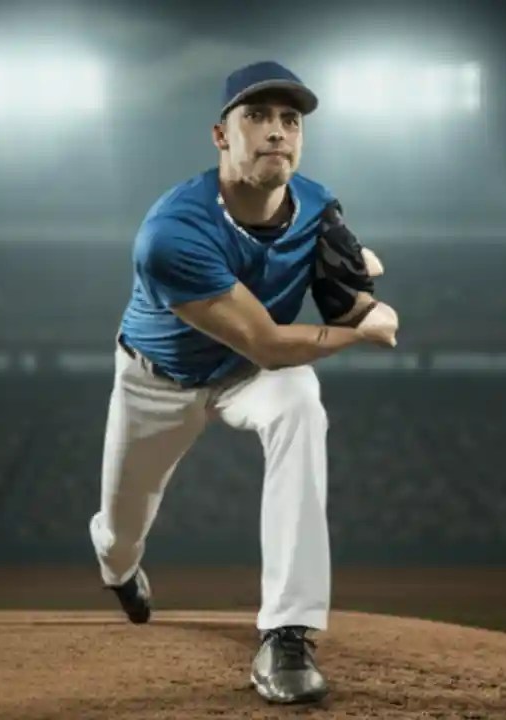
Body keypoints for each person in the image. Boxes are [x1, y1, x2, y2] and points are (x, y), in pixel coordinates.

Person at [88, 60, 399, 705]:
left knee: (300, 405)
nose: (277, 131)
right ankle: (117, 568)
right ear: (220, 135)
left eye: (290, 119)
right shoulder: (171, 233)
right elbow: (267, 340)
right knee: (122, 529)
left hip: (248, 379)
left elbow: (344, 296)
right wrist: (361, 334)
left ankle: (289, 630)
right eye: (255, 116)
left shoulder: (317, 206)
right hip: (157, 382)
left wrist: (367, 306)